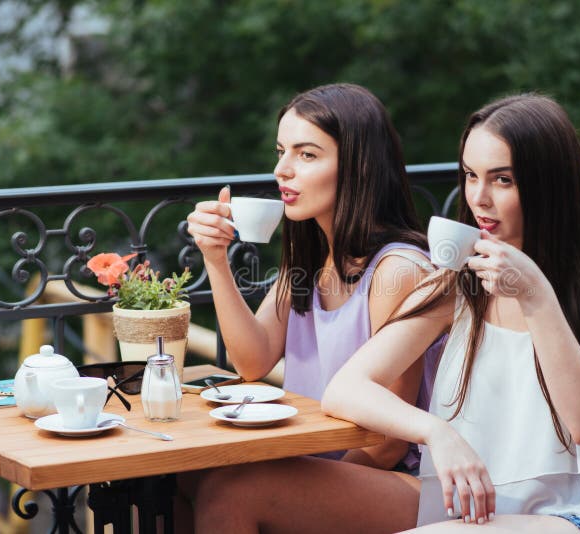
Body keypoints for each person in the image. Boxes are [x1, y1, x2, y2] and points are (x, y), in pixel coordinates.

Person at [323, 93, 580, 533]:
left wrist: (536, 296)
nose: (478, 198)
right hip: (478, 511)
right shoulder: (464, 276)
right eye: (471, 175)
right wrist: (437, 432)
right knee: (248, 487)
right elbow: (345, 389)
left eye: (502, 180)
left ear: (549, 185)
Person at [182, 83, 440, 533]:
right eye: (281, 151)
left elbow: (388, 444)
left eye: (306, 155)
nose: (282, 170)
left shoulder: (397, 271)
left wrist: (300, 488)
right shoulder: (310, 260)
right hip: (319, 460)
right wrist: (215, 259)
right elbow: (252, 360)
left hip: (411, 482)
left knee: (234, 490)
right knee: (178, 475)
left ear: (358, 166)